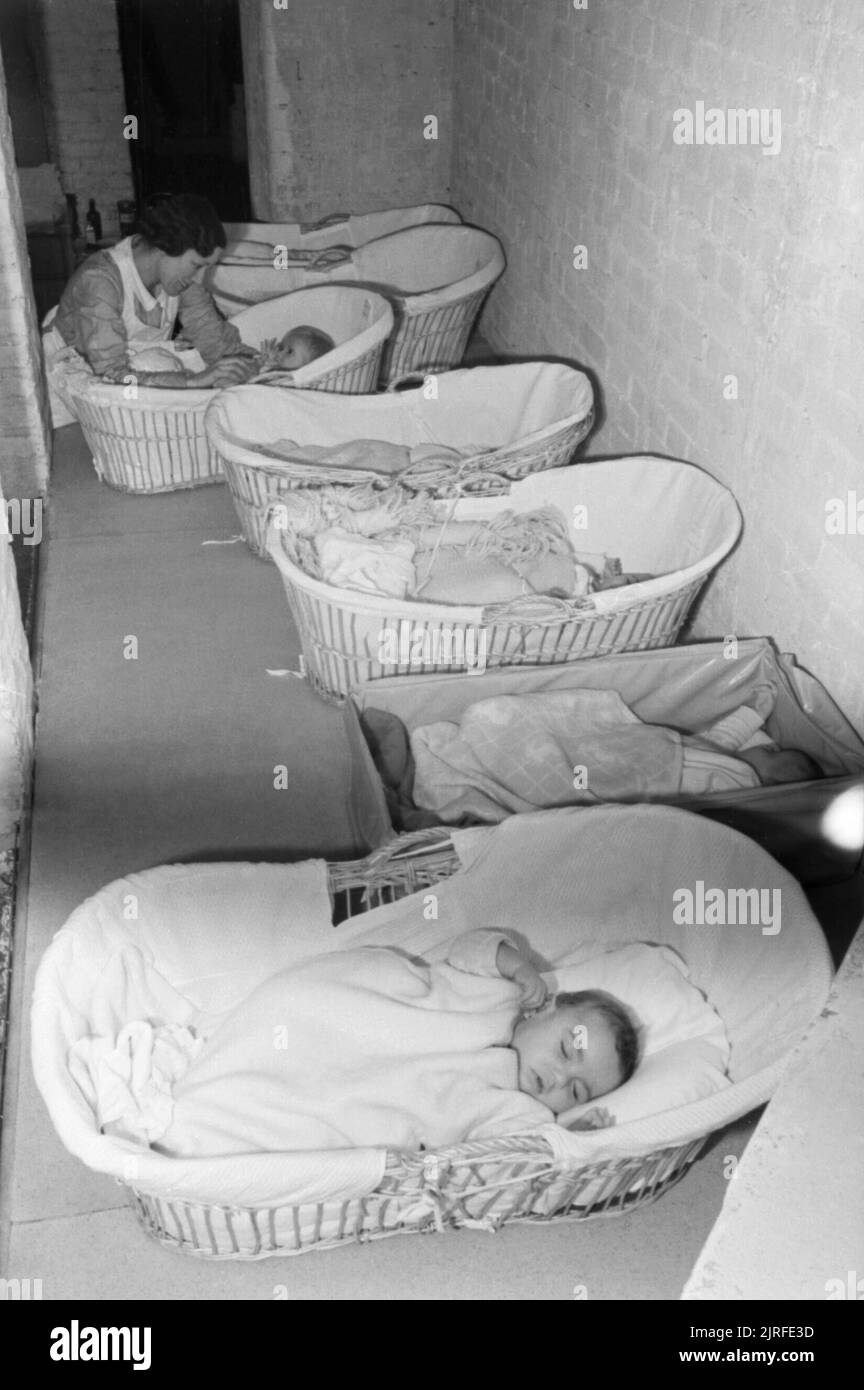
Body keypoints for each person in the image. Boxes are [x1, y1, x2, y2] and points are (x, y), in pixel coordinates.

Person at [154, 929, 640, 1160]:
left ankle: (204, 1122)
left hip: (363, 1101)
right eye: (565, 1050)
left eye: (575, 1091)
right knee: (294, 1009)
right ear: (545, 1008)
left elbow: (511, 1156)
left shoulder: (517, 1110)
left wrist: (572, 1132)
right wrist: (514, 964)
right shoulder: (499, 995)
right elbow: (469, 948)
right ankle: (219, 1075)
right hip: (340, 1014)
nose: (558, 1078)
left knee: (309, 1120)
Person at [43, 192, 257, 404]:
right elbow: (112, 380)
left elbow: (216, 343)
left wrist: (259, 365)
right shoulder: (100, 282)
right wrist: (192, 382)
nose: (200, 279)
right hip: (77, 383)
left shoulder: (181, 279)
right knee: (160, 366)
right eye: (196, 266)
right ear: (166, 247)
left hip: (134, 379)